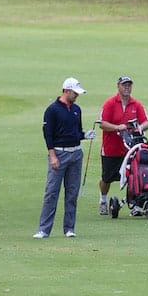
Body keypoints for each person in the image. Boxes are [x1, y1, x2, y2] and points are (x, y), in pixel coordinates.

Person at [38, 77, 88, 238]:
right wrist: (52, 156)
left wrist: (85, 135)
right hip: (59, 154)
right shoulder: (52, 110)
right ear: (66, 91)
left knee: (72, 192)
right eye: (74, 93)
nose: (76, 96)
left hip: (76, 154)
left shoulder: (76, 109)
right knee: (52, 192)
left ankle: (69, 228)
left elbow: (77, 132)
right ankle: (44, 229)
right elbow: (48, 135)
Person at [97, 76, 148, 215]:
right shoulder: (110, 103)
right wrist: (117, 127)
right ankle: (103, 200)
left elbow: (146, 123)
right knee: (107, 178)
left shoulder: (136, 105)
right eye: (124, 85)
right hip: (111, 149)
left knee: (134, 176)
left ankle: (134, 205)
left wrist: (139, 128)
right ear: (118, 87)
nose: (127, 87)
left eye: (129, 85)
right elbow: (102, 124)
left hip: (130, 149)